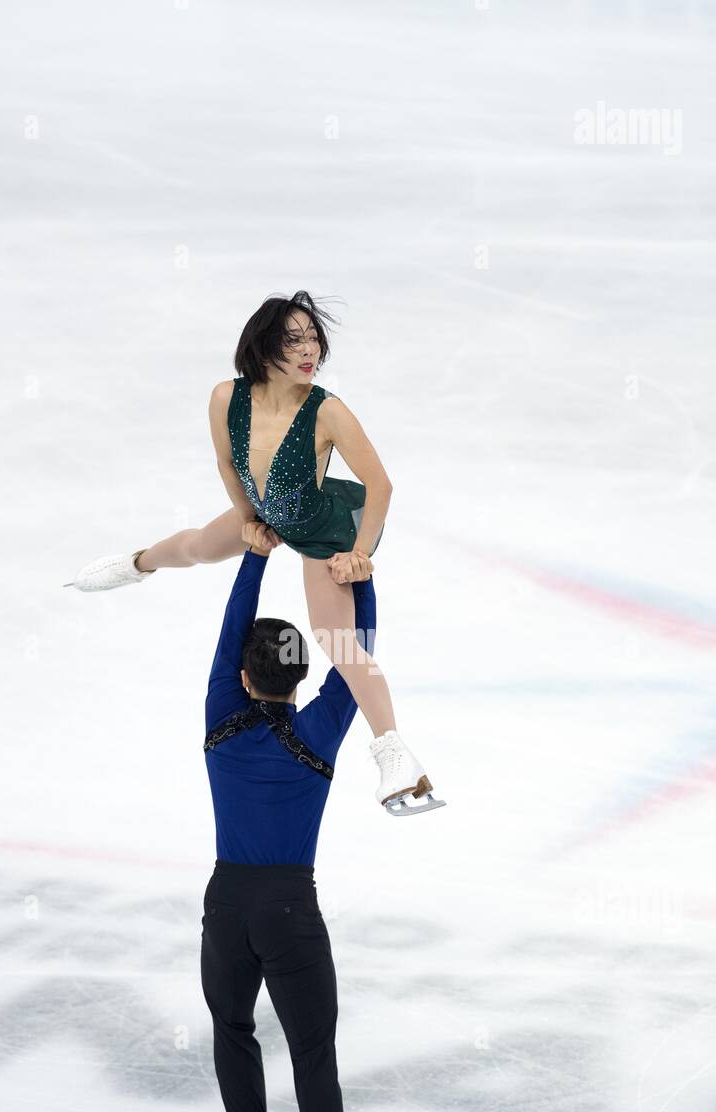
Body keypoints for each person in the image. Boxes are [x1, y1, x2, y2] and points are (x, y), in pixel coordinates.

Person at [64, 290, 445, 817]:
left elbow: (380, 486)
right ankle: (135, 564)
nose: (309, 349)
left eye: (313, 337)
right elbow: (228, 464)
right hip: (267, 509)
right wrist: (248, 519)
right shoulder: (227, 397)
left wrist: (360, 555)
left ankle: (395, 755)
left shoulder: (328, 410)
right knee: (199, 545)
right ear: (264, 348)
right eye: (295, 340)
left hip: (322, 526)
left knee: (337, 641)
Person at [198, 534, 407, 1112]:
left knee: (233, 1029)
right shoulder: (316, 733)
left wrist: (255, 556)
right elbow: (359, 660)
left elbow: (232, 633)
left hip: (225, 907)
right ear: (298, 676)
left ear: (245, 676)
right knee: (312, 1052)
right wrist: (364, 583)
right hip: (290, 911)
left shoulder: (220, 719)